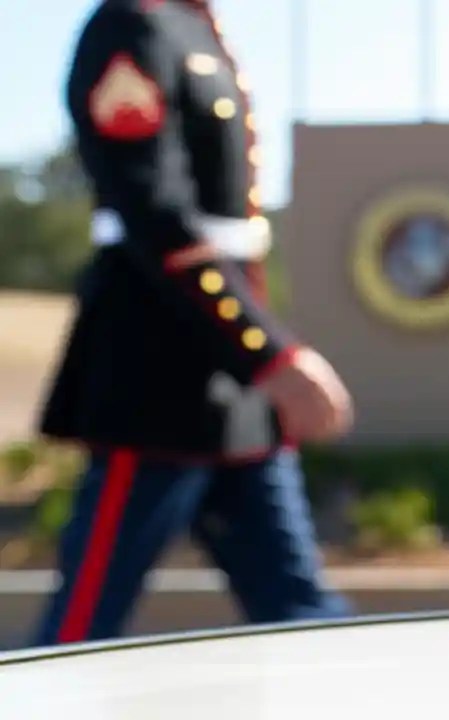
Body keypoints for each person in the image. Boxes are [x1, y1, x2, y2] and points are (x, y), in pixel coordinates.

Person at [31, 0, 353, 646]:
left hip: (233, 394)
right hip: (154, 376)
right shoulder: (130, 28)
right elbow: (157, 219)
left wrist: (259, 360)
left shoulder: (193, 26)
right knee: (81, 633)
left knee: (304, 618)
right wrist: (267, 353)